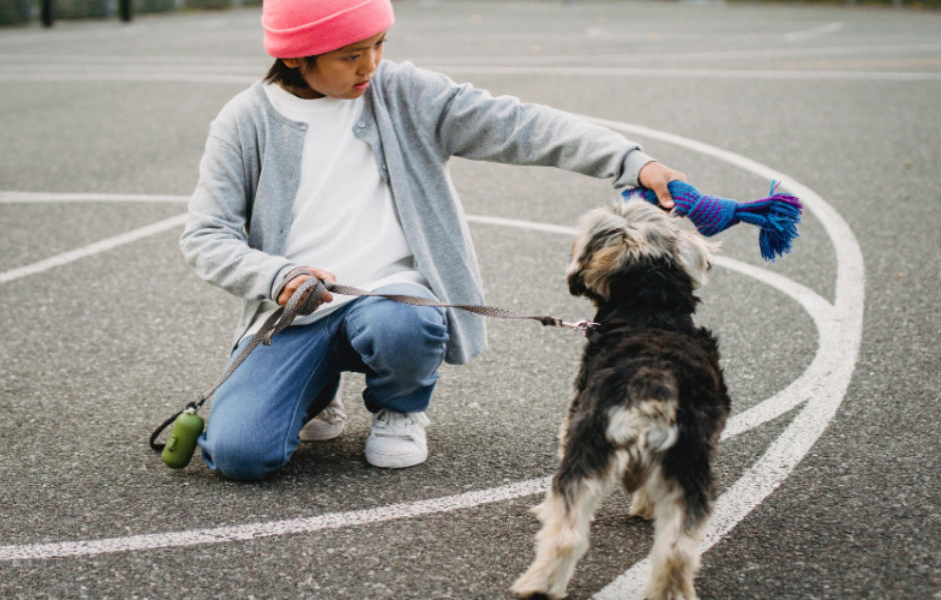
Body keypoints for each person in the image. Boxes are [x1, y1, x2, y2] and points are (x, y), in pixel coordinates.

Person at [179, 0, 685, 481]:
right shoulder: (244, 120)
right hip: (295, 311)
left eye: (378, 44)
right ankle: (313, 393)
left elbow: (519, 125)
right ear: (293, 56)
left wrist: (630, 161)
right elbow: (206, 235)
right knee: (238, 455)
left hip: (389, 297)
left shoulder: (402, 93)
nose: (370, 65)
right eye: (351, 55)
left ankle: (400, 410)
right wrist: (277, 276)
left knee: (406, 319)